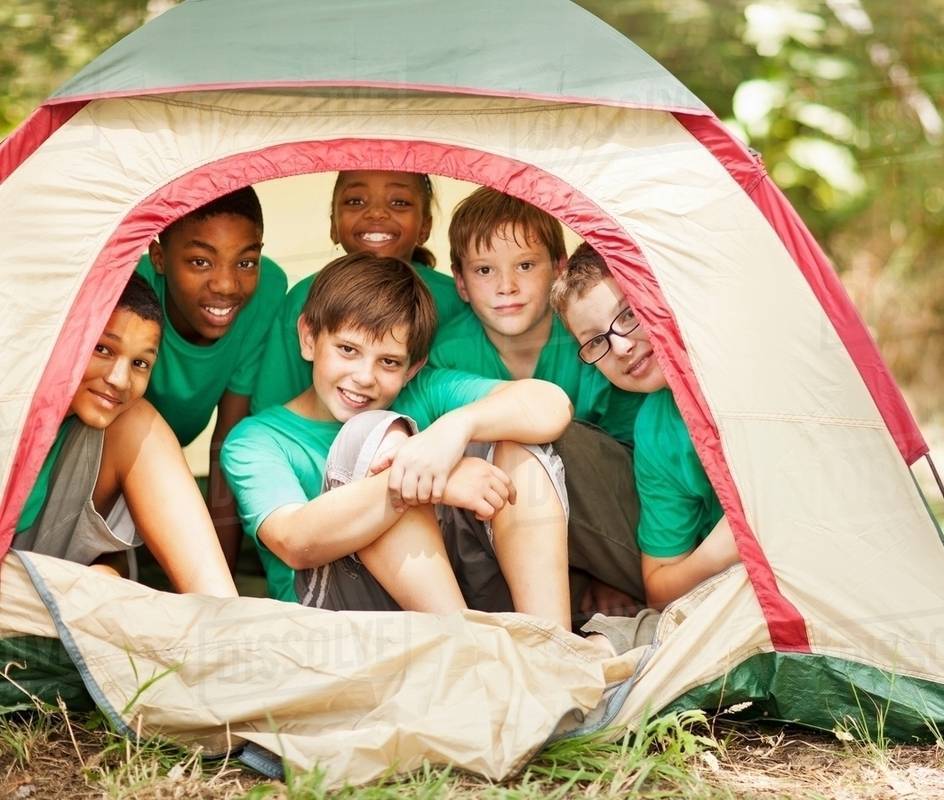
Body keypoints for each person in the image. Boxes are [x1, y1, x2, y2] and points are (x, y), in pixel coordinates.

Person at [222, 253, 573, 629]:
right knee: (370, 433)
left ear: (413, 368)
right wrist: (430, 483)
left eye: (389, 362)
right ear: (309, 338)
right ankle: (467, 646)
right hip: (337, 619)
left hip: (453, 593)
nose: (364, 377)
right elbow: (294, 541)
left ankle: (552, 644)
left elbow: (551, 403)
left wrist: (454, 430)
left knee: (513, 436)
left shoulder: (424, 390)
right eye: (348, 350)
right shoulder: (257, 439)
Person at [430, 187, 648, 616]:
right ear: (460, 282)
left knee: (526, 440)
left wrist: (604, 574)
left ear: (558, 268)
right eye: (485, 270)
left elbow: (634, 466)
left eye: (525, 265)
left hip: (614, 519)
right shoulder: (447, 352)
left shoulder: (594, 341)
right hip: (493, 528)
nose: (506, 286)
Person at [13, 274, 238, 598]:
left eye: (140, 363)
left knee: (136, 419)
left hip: (39, 591)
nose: (119, 379)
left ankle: (226, 629)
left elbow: (108, 555)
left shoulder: (121, 424)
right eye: (102, 348)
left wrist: (109, 571)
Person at [551, 243, 740, 608]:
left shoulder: (742, 357)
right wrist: (721, 550)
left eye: (627, 315)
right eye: (595, 342)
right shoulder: (656, 430)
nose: (620, 347)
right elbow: (660, 586)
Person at [136, 186, 287, 570]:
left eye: (246, 262)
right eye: (201, 262)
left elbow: (229, 437)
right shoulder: (128, 283)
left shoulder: (267, 290)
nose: (226, 284)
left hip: (176, 462)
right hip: (108, 446)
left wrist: (223, 576)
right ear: (159, 257)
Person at [251, 170, 467, 412]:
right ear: (333, 224)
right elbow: (274, 409)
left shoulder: (458, 299)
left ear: (425, 226)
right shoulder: (304, 298)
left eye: (399, 203)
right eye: (355, 201)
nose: (376, 213)